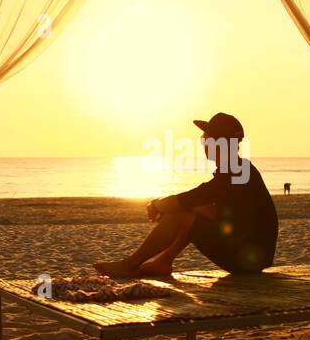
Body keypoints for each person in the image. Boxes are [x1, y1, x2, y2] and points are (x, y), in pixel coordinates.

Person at [95, 112, 277, 278]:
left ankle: (131, 264)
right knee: (193, 210)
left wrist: (157, 205)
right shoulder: (239, 169)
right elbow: (204, 203)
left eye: (207, 138)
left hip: (245, 258)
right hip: (251, 256)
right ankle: (164, 261)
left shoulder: (236, 172)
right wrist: (168, 204)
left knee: (180, 214)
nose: (204, 143)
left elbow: (191, 198)